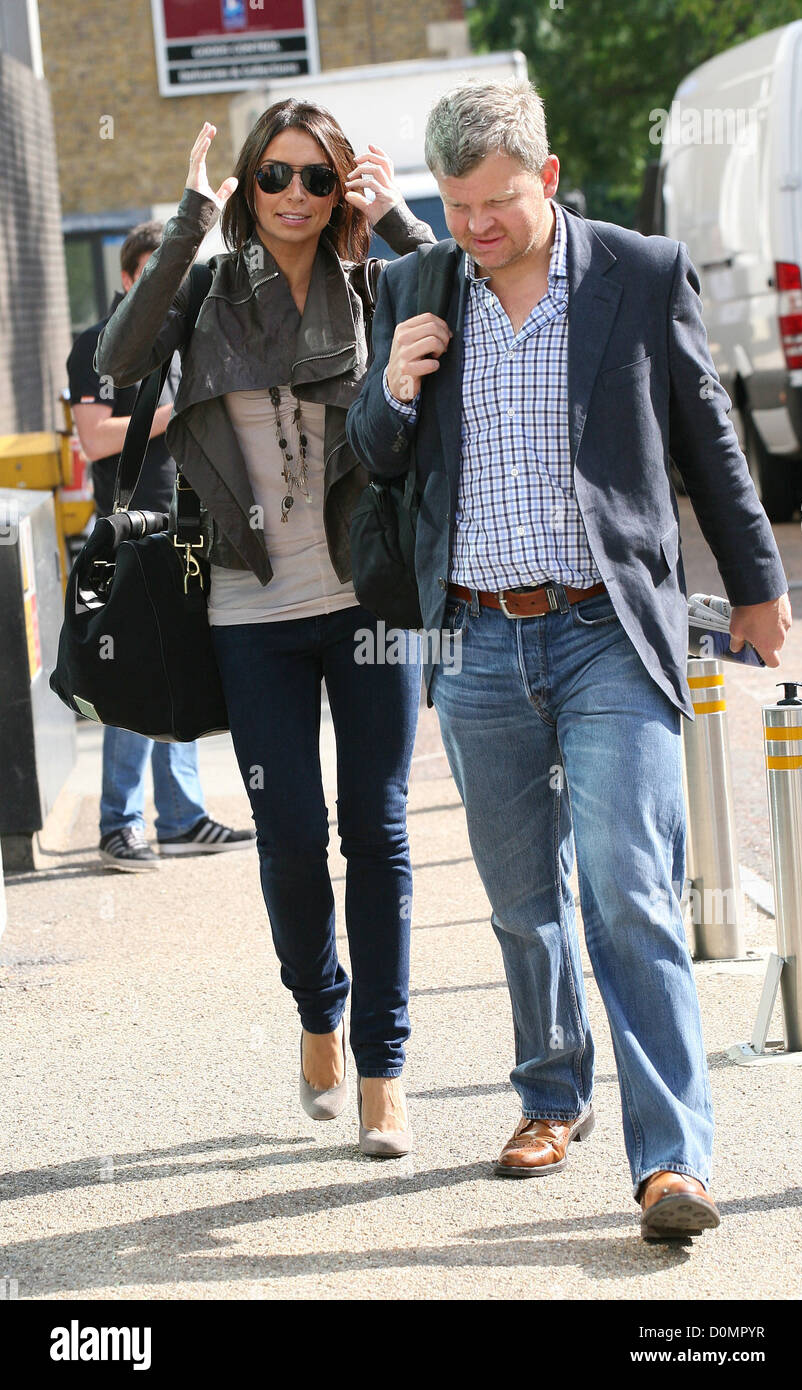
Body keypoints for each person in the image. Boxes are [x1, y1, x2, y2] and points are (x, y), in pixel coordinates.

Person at [347, 79, 791, 1236]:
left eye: (494, 202)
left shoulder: (638, 273)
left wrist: (757, 586)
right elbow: (372, 459)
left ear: (544, 179)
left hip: (606, 630)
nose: (472, 227)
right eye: (453, 204)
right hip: (476, 636)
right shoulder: (412, 283)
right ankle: (551, 1093)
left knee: (627, 892)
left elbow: (707, 437)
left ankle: (671, 1161)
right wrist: (392, 386)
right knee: (516, 901)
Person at [95, 105, 433, 1153]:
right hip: (248, 611)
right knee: (289, 836)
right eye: (274, 176)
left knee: (374, 830)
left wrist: (402, 225)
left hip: (369, 601)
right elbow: (119, 353)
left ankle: (383, 1067)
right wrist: (192, 216)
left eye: (318, 180)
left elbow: (470, 319)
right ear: (249, 185)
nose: (295, 195)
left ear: (342, 191)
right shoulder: (205, 290)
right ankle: (316, 1006)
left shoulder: (377, 283)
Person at [67, 223, 254, 872]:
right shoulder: (96, 345)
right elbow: (94, 440)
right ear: (126, 281)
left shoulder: (182, 344)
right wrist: (186, 409)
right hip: (126, 537)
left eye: (173, 278)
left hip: (181, 533)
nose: (165, 291)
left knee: (180, 672)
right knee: (132, 675)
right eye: (152, 277)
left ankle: (179, 816)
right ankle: (119, 824)